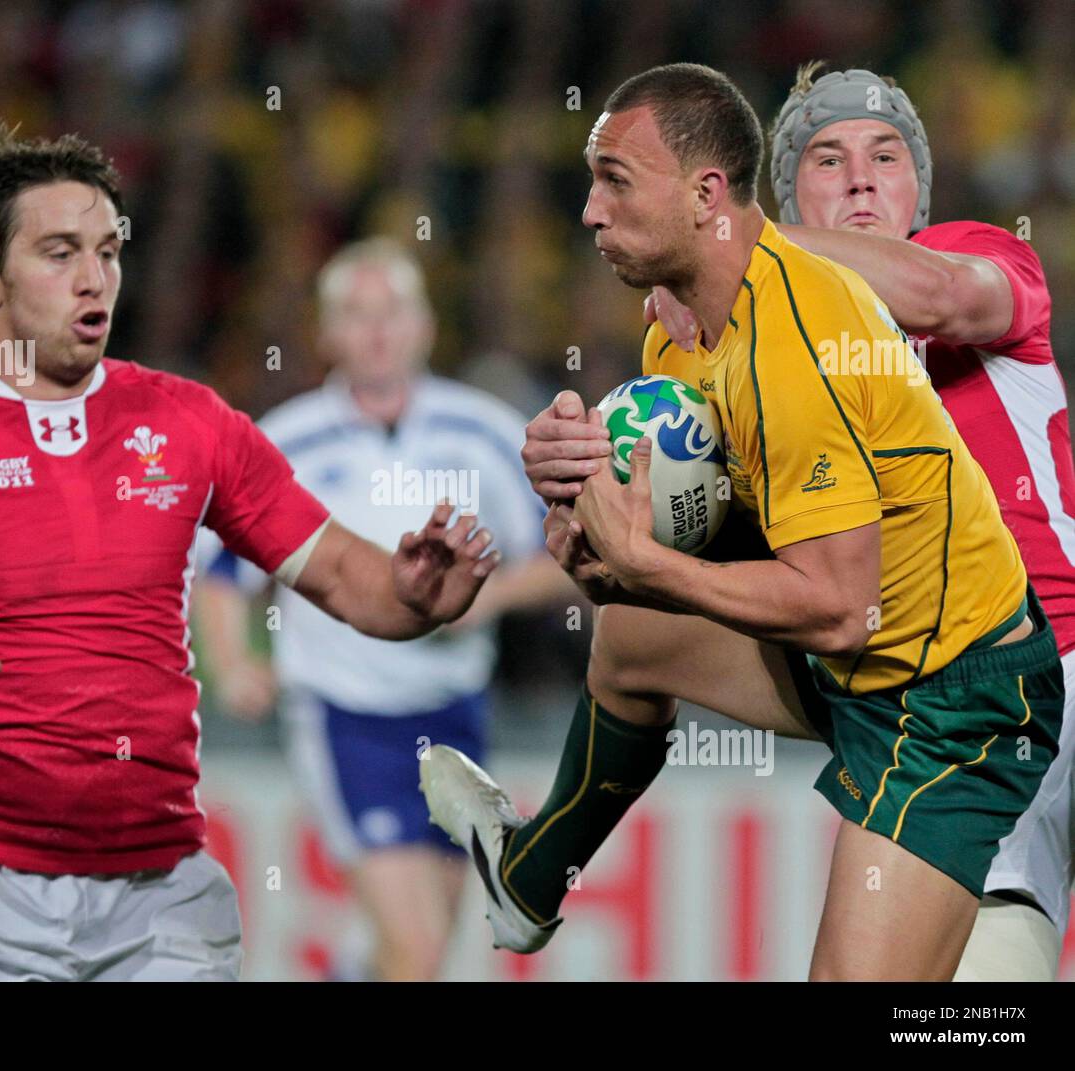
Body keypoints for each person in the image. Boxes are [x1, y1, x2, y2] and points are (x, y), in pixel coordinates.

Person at [0, 128, 502, 982]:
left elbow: (355, 580)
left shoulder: (190, 422)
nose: (95, 278)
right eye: (59, 252)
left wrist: (420, 591)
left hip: (160, 900)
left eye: (109, 251)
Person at [420, 63, 1064, 981]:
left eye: (613, 181)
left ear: (709, 195)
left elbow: (840, 608)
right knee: (632, 635)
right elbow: (710, 549)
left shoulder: (821, 322)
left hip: (958, 697)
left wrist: (645, 559)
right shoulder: (677, 336)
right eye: (830, 158)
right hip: (864, 659)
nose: (590, 213)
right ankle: (529, 878)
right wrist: (590, 532)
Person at [639, 62, 1075, 982]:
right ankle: (531, 865)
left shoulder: (977, 252)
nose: (865, 176)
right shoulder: (751, 348)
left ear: (920, 186)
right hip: (954, 701)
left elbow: (944, 296)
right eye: (830, 159)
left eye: (887, 155)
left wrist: (730, 246)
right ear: (790, 188)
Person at [194, 238, 567, 981]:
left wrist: (488, 597)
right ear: (326, 333)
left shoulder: (485, 431)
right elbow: (223, 572)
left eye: (391, 311)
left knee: (421, 945)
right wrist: (234, 664)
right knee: (418, 948)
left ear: (425, 325)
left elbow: (567, 553)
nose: (375, 331)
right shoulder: (288, 440)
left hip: (456, 713)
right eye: (354, 314)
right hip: (344, 715)